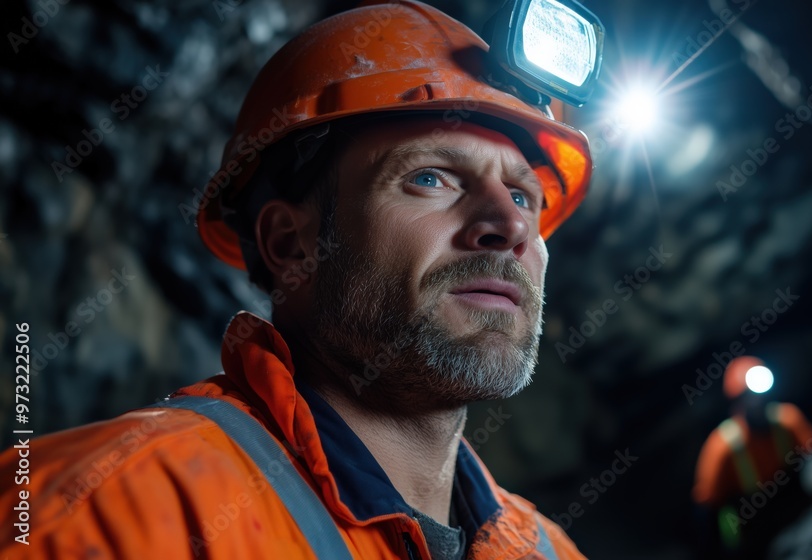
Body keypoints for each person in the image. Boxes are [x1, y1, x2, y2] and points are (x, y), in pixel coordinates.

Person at [0, 1, 597, 558]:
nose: (509, 225)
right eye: (432, 179)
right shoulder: (102, 517)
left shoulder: (547, 549)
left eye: (523, 195)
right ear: (290, 245)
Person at [691, 356, 812, 559]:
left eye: (760, 393)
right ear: (738, 401)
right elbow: (707, 510)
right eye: (749, 396)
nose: (758, 401)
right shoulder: (722, 447)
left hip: (795, 514)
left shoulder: (788, 420)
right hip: (754, 529)